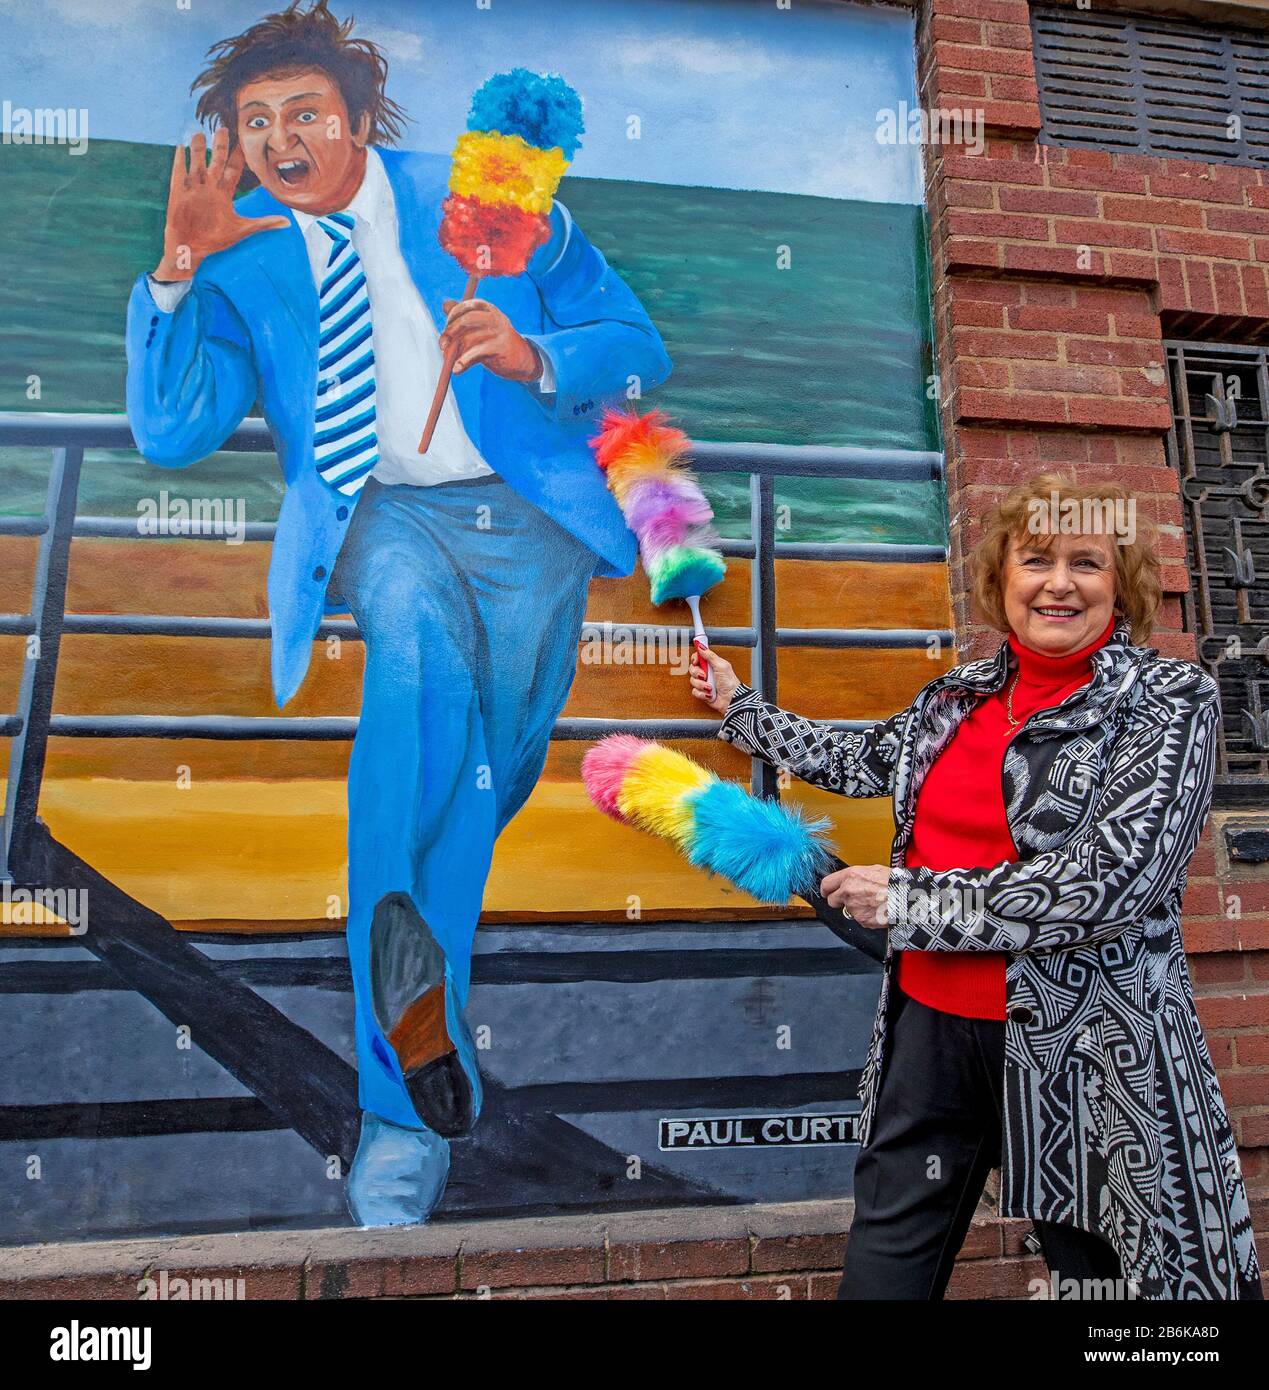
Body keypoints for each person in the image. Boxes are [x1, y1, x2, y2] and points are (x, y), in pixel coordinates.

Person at [124, 0, 669, 1225]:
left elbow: (635, 344)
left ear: (361, 119)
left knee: (478, 787)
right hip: (387, 529)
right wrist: (174, 270)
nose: (277, 140)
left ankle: (426, 1007)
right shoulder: (236, 250)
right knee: (410, 707)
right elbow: (171, 431)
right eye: (253, 123)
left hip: (529, 531)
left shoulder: (487, 197)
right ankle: (399, 1122)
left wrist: (533, 352)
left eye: (303, 113)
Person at [689, 470, 1262, 1301]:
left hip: (1089, 1049)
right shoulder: (953, 700)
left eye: (1086, 563)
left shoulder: (1170, 700)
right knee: (884, 1269)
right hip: (930, 1030)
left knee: (1105, 1279)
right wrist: (740, 707)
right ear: (1001, 580)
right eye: (1035, 560)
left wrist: (914, 903)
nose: (1057, 583)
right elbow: (857, 759)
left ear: (1120, 585)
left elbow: (1113, 878)